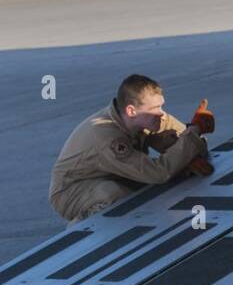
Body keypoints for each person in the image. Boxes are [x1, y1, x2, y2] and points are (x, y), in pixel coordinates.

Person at [49, 75, 213, 222]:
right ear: (131, 111)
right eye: (155, 108)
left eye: (161, 106)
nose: (161, 113)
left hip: (112, 175)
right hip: (72, 191)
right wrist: (194, 133)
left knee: (158, 182)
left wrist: (193, 138)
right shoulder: (107, 138)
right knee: (115, 196)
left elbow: (187, 139)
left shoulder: (146, 116)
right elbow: (159, 173)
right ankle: (81, 228)